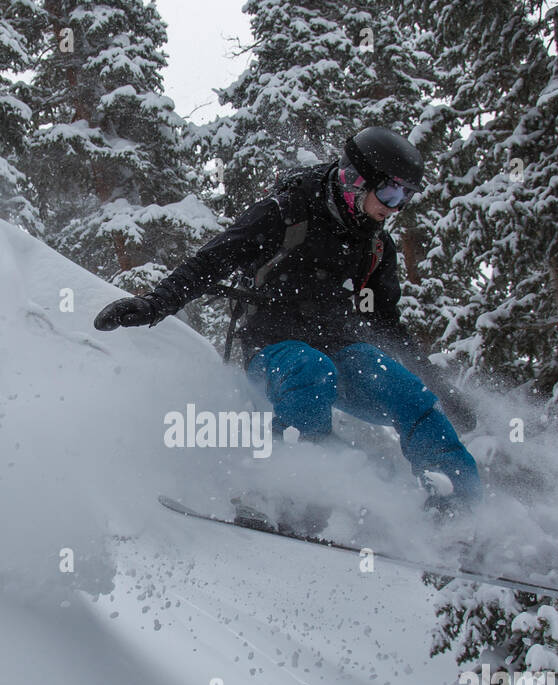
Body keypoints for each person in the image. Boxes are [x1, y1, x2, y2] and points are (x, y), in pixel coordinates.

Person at [94, 126, 481, 516]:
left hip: (341, 349)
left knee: (408, 392)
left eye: (405, 197)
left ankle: (458, 509)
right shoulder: (288, 211)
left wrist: (438, 386)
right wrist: (156, 303)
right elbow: (213, 260)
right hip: (273, 347)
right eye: (389, 192)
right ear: (355, 179)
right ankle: (284, 491)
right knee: (310, 368)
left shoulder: (376, 244)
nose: (394, 207)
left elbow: (387, 325)